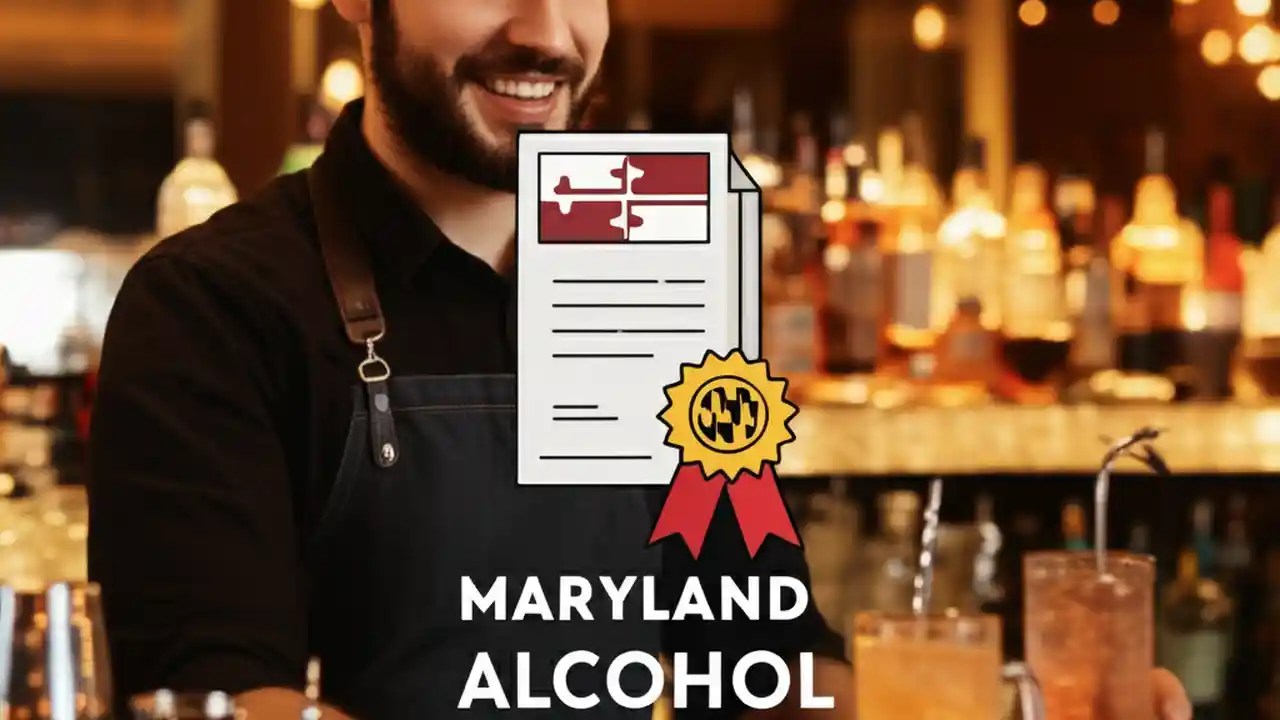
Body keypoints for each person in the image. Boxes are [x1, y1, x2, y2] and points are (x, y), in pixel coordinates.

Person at [87, 1, 1194, 719]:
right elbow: (216, 699)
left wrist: (1000, 709)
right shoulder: (212, 307)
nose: (546, 31)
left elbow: (757, 658)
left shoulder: (645, 270)